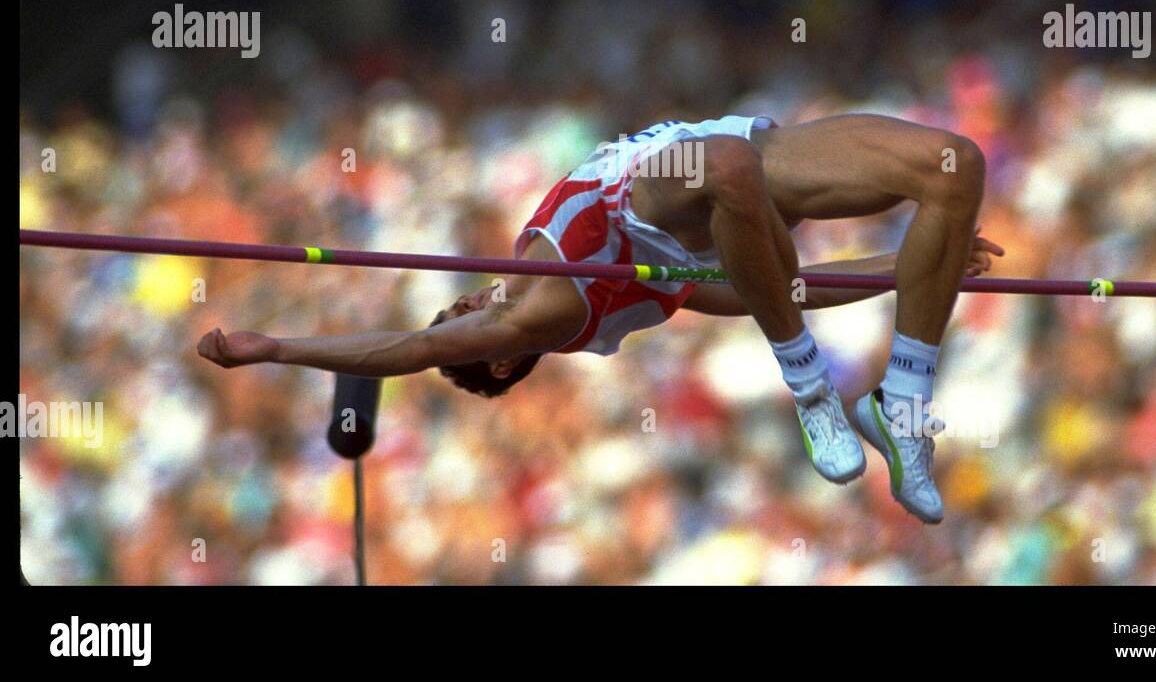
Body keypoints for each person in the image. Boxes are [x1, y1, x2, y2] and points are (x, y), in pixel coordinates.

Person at [198, 114, 1002, 523]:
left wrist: (907, 267)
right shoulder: (541, 310)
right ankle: (813, 392)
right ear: (508, 357)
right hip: (663, 186)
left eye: (464, 297)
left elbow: (786, 290)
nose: (475, 297)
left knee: (953, 168)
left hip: (735, 149)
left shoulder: (646, 295)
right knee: (722, 171)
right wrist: (275, 348)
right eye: (466, 315)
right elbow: (412, 345)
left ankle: (900, 408)